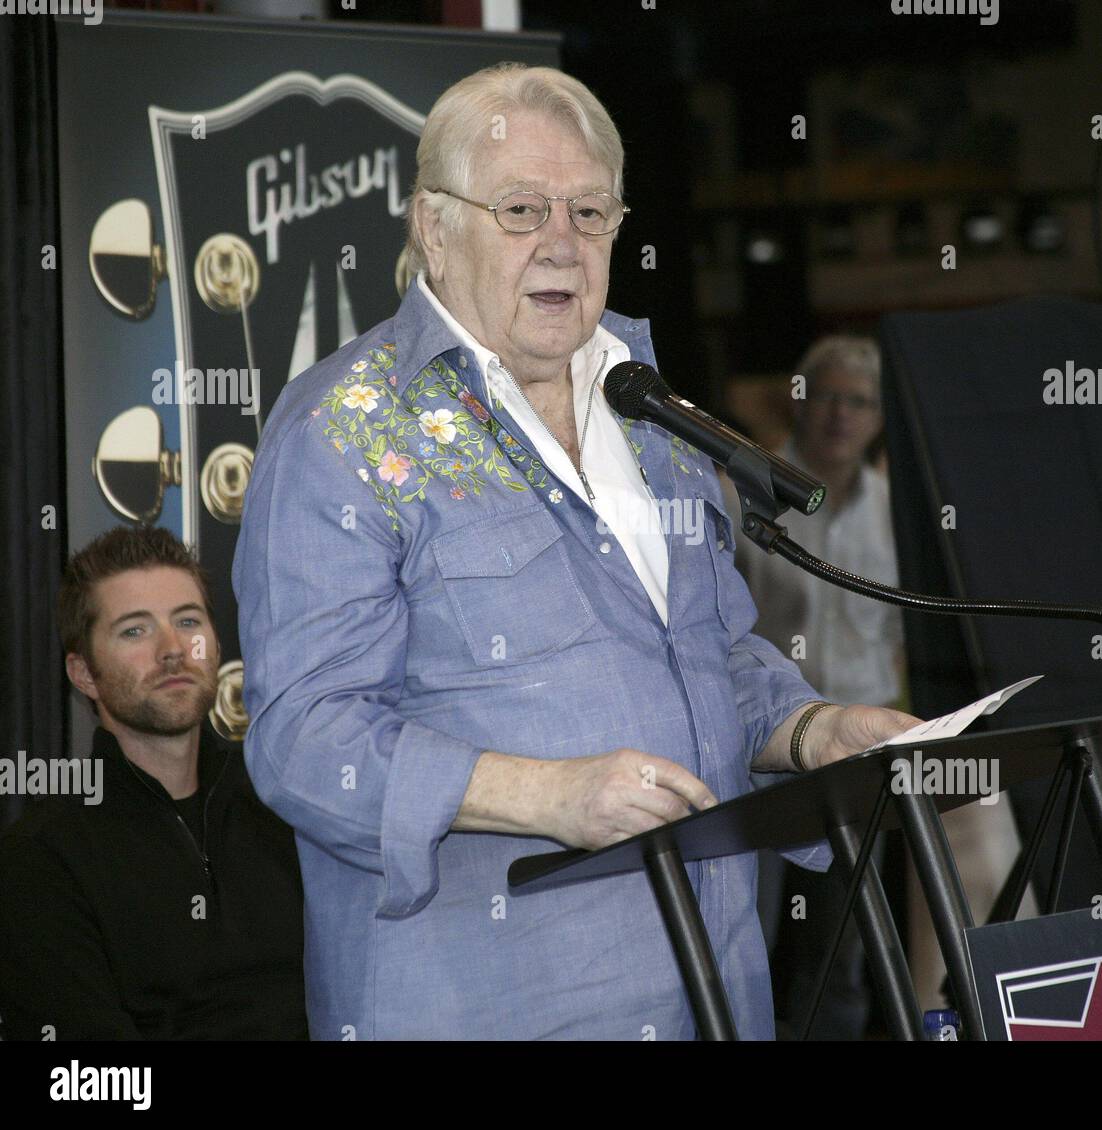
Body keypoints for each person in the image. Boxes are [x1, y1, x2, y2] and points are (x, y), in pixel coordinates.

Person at [232, 62, 918, 1040]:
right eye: (521, 210)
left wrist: (812, 732)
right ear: (435, 225)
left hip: (717, 981)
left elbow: (712, 656)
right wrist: (545, 793)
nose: (562, 242)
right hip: (495, 1003)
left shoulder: (648, 407)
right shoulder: (343, 430)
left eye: (590, 213)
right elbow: (303, 737)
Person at [0, 526, 308, 1040]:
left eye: (187, 621)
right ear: (84, 674)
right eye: (134, 631)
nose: (172, 649)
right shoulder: (41, 857)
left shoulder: (284, 803)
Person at [723, 335, 904, 1038]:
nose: (840, 414)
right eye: (825, 395)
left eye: (858, 401)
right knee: (748, 936)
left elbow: (899, 635)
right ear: (798, 400)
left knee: (844, 944)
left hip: (856, 756)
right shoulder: (744, 487)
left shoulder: (896, 508)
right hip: (759, 748)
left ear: (880, 415)